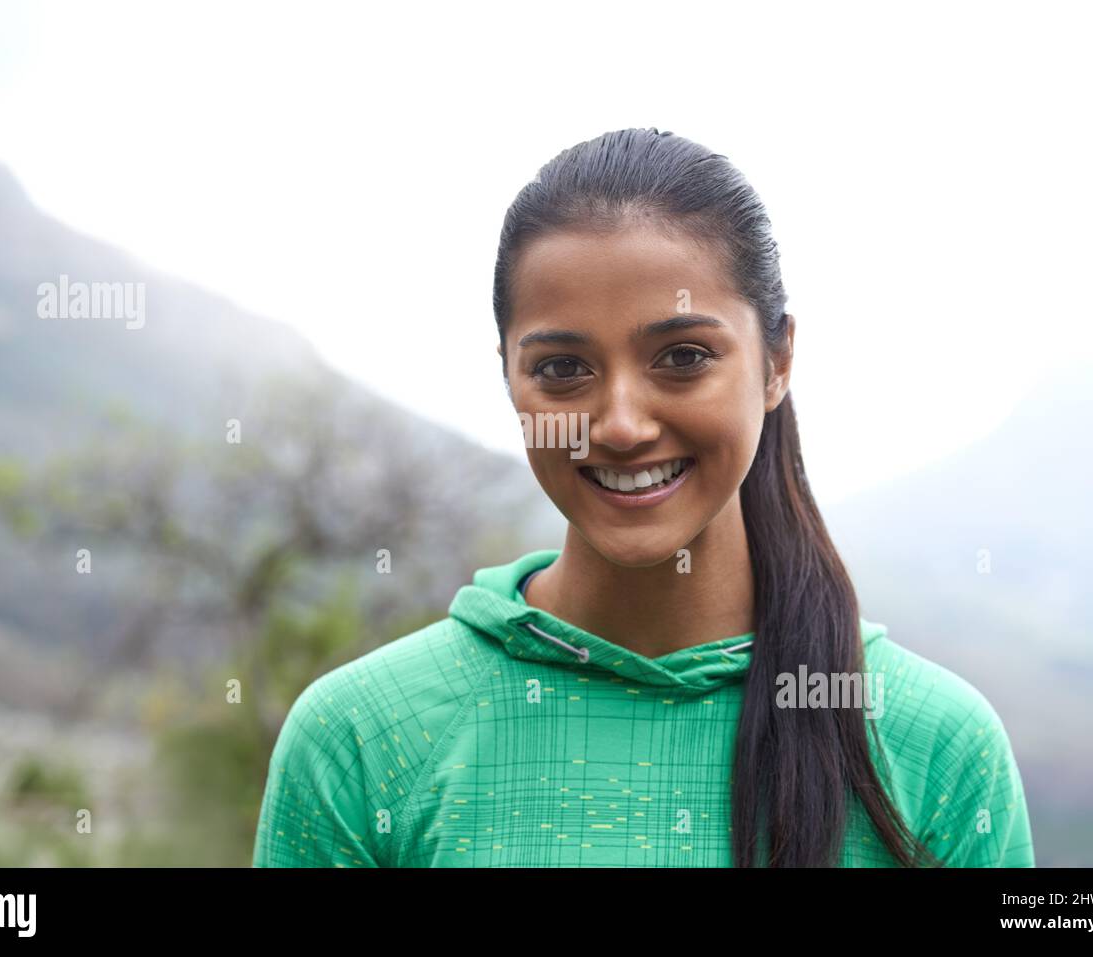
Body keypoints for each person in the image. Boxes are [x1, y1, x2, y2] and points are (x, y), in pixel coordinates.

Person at [252, 127, 1035, 867]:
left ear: (776, 360)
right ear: (507, 377)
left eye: (684, 356)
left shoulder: (936, 748)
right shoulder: (360, 741)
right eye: (562, 369)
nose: (621, 425)